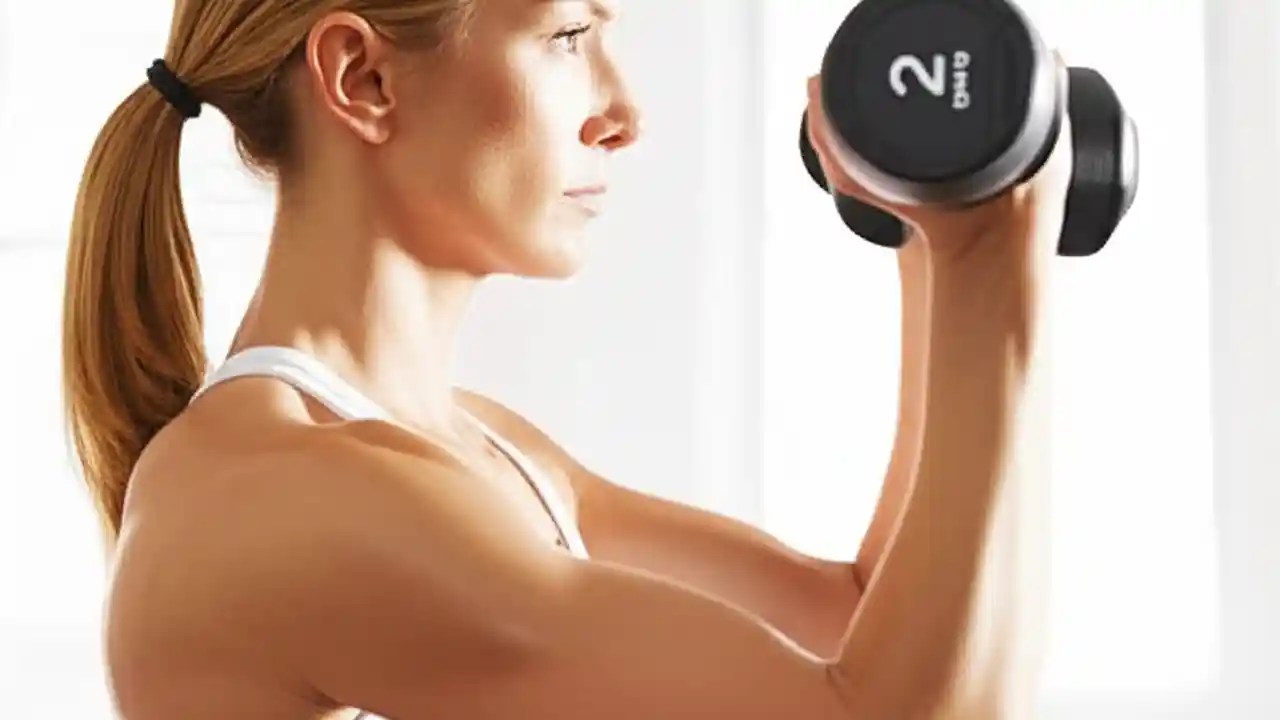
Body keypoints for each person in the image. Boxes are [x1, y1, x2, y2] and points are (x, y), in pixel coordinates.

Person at [60, 0, 1069, 717]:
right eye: (567, 36)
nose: (623, 115)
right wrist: (994, 261)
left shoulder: (472, 448)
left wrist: (931, 238)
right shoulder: (291, 499)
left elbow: (845, 627)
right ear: (362, 78)